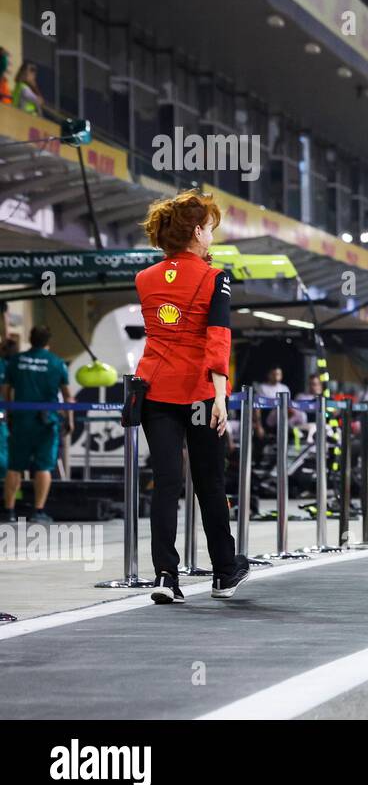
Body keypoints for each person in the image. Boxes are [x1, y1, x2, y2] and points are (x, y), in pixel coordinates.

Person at [134, 190, 249, 603]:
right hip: (200, 394)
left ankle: (166, 575)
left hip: (154, 392)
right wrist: (220, 398)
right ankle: (223, 572)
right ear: (198, 231)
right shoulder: (215, 278)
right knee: (209, 484)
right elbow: (217, 339)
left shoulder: (144, 279)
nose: (213, 236)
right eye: (212, 229)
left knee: (165, 484)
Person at [3, 327, 73, 524]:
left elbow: (6, 389)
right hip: (46, 422)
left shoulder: (15, 361)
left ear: (29, 339)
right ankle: (38, 511)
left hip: (20, 420)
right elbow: (67, 395)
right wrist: (70, 420)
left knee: (14, 466)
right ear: (48, 342)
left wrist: (9, 412)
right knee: (43, 467)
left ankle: (8, 511)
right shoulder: (57, 363)